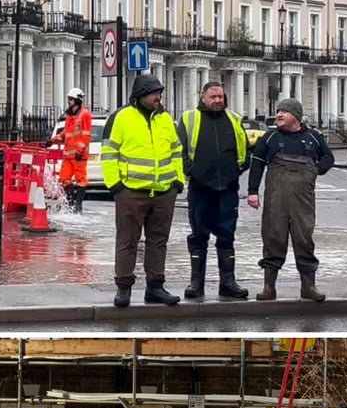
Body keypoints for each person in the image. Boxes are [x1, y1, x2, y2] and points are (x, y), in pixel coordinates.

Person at [100, 73, 185, 307]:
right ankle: (124, 288)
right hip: (131, 191)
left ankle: (155, 287)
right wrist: (116, 186)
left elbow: (176, 150)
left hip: (163, 192)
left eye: (160, 92)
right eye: (154, 93)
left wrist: (178, 180)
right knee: (127, 241)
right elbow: (108, 154)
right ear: (141, 95)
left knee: (158, 241)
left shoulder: (165, 118)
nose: (159, 97)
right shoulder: (122, 118)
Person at [246, 99, 334, 301]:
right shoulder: (270, 138)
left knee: (304, 239)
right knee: (273, 238)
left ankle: (308, 287)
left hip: (303, 201)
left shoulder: (314, 137)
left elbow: (328, 158)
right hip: (275, 200)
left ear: (296, 115)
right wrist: (252, 192)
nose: (279, 115)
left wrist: (316, 169)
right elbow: (257, 165)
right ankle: (269, 287)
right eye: (278, 111)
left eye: (284, 111)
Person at [177, 81, 250, 300]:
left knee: (227, 235)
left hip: (227, 188)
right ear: (203, 98)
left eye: (220, 96)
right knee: (199, 236)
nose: (218, 100)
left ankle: (228, 282)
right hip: (200, 188)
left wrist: (238, 167)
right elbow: (179, 150)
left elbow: (244, 148)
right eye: (213, 97)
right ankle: (196, 283)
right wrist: (191, 172)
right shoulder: (190, 119)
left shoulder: (234, 119)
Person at [51, 87, 92, 212]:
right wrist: (54, 139)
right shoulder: (70, 115)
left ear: (77, 100)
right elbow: (67, 132)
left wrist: (80, 151)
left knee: (81, 179)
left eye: (71, 99)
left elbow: (86, 134)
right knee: (64, 179)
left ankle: (78, 206)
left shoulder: (85, 115)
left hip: (79, 155)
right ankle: (70, 204)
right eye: (68, 99)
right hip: (68, 154)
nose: (68, 101)